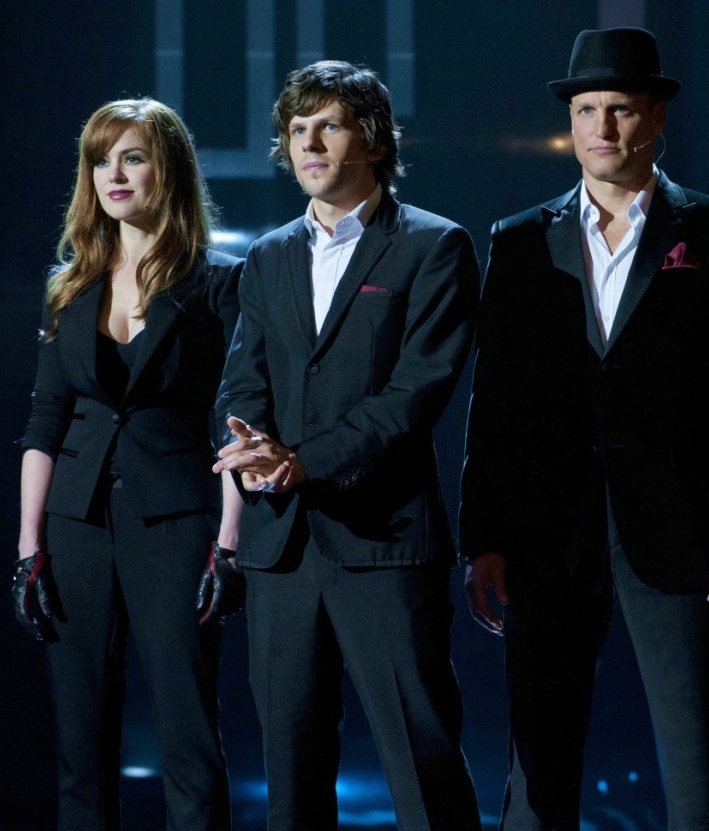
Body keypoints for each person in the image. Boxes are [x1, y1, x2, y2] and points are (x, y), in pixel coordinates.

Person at [459, 27, 709, 830]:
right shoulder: (519, 239)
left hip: (681, 526)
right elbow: (495, 403)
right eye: (587, 110)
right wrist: (483, 536)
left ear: (657, 117)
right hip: (545, 531)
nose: (602, 127)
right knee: (538, 767)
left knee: (702, 764)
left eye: (621, 109)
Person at [211, 61, 481, 829]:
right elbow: (241, 383)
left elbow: (415, 395)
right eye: (297, 130)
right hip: (281, 553)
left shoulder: (434, 245)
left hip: (384, 546)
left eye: (328, 125)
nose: (308, 142)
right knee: (290, 780)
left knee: (423, 771)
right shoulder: (267, 255)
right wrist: (251, 452)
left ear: (374, 140)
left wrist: (303, 462)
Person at [16, 98, 244, 830]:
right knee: (79, 749)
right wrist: (29, 548)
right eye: (100, 160)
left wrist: (229, 542)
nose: (112, 175)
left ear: (166, 169)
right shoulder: (70, 283)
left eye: (132, 158)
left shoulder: (220, 281)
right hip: (74, 526)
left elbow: (237, 419)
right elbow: (45, 421)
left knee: (189, 740)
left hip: (177, 523)